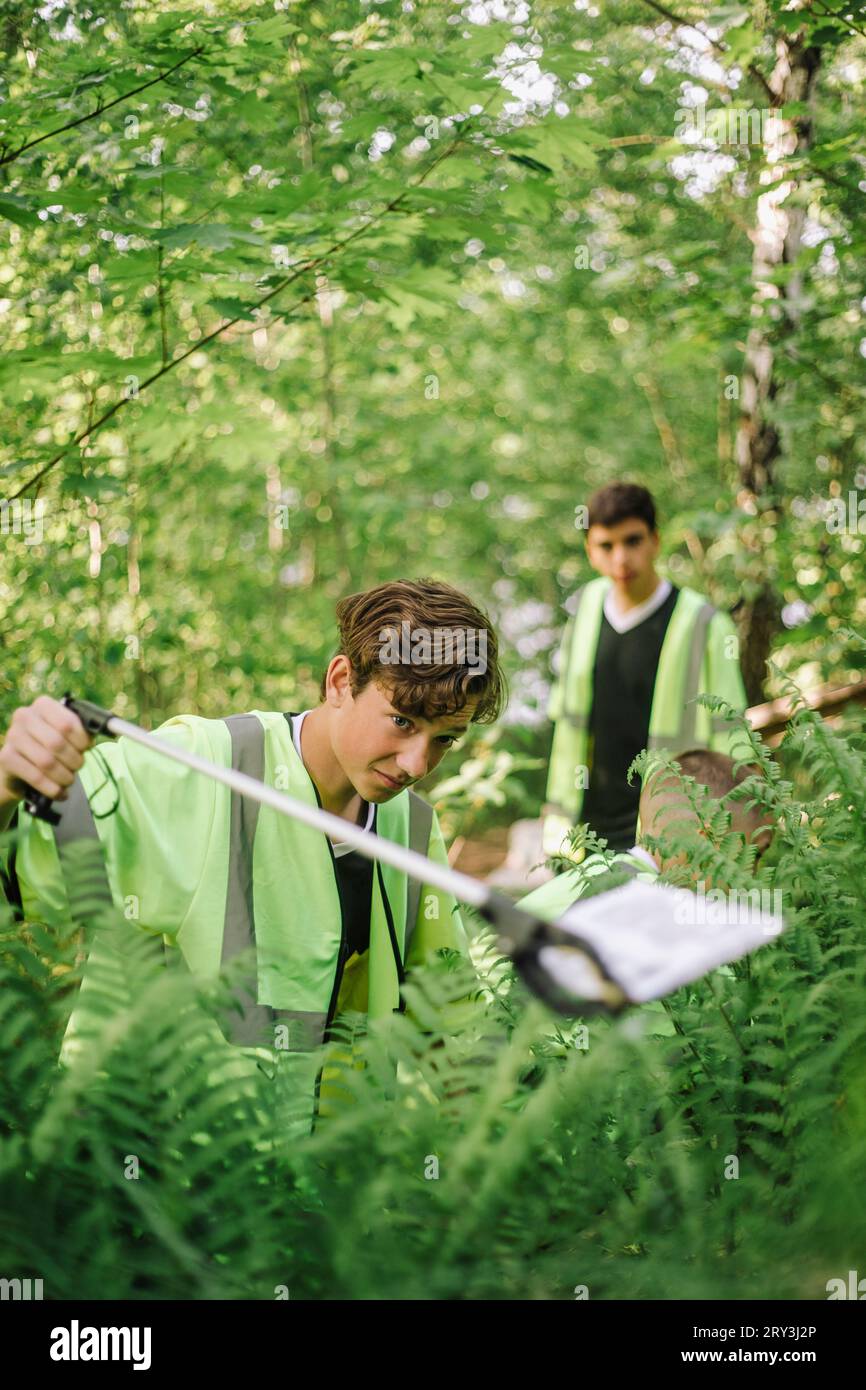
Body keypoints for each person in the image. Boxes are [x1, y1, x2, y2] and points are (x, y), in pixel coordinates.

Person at [0, 578, 505, 1136]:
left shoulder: (411, 827)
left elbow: (452, 1026)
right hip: (145, 1175)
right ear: (341, 681)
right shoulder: (205, 764)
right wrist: (9, 779)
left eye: (445, 739)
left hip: (312, 1200)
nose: (416, 763)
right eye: (403, 721)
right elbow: (19, 860)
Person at [543, 482, 750, 864]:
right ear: (590, 551)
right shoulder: (585, 609)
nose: (620, 558)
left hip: (670, 831)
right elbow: (566, 724)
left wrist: (736, 831)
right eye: (606, 545)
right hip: (583, 831)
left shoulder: (704, 624)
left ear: (655, 541)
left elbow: (732, 735)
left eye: (632, 541)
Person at [518, 748, 775, 1033]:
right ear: (706, 843)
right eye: (757, 853)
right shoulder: (657, 914)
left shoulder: (592, 875)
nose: (754, 874)